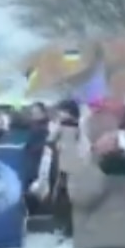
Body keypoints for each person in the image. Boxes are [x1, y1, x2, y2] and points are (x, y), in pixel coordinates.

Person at [49, 99, 84, 237]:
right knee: (70, 195)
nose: (60, 113)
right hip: (74, 165)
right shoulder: (78, 126)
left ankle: (63, 224)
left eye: (62, 111)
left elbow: (51, 139)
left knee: (62, 194)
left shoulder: (63, 126)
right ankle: (70, 225)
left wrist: (56, 145)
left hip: (64, 164)